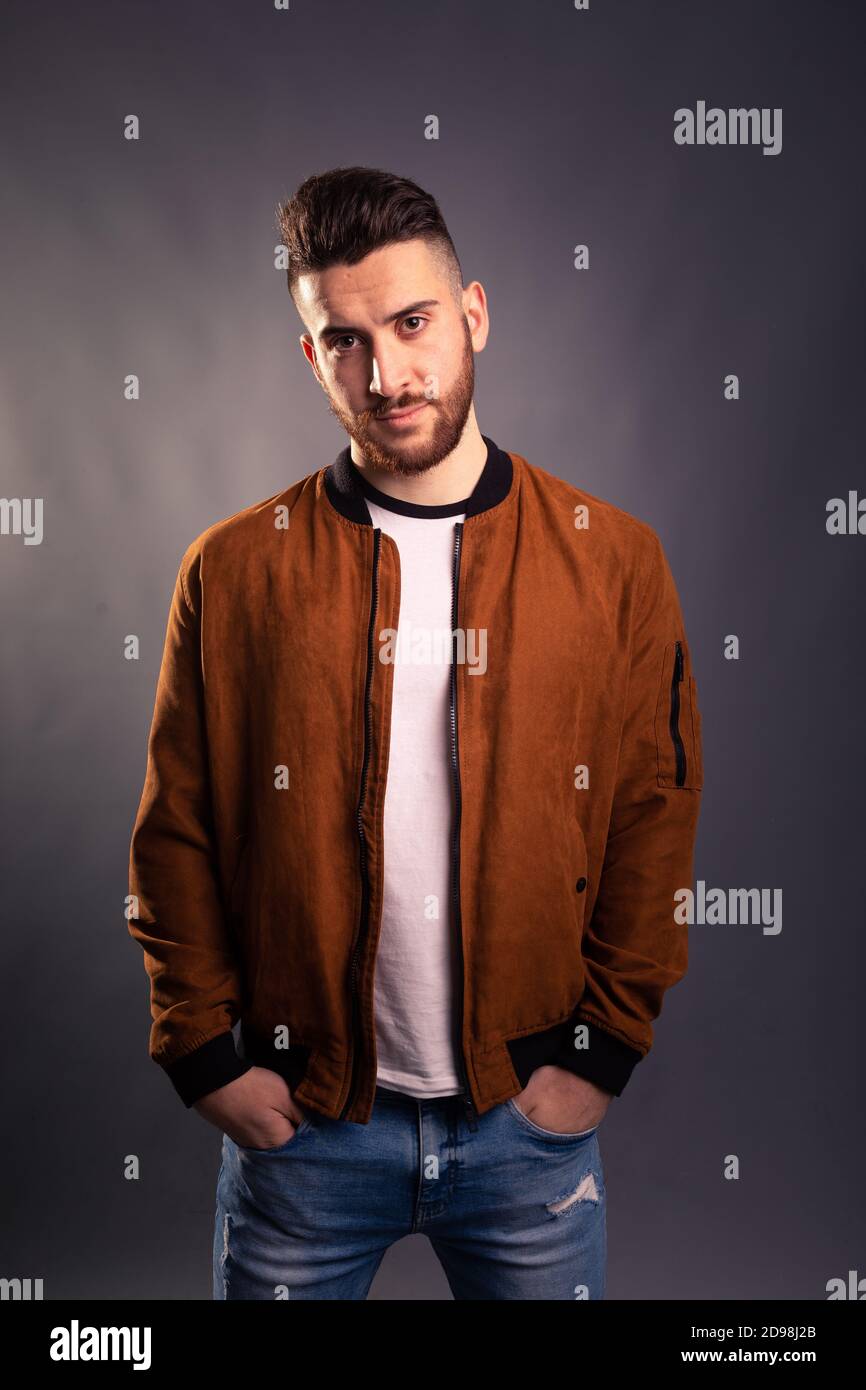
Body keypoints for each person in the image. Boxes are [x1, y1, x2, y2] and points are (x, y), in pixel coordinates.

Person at [127, 166, 703, 1300]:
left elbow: (652, 809)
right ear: (310, 357)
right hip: (305, 1136)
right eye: (343, 341)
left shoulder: (611, 559)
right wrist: (203, 1059)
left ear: (472, 313)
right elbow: (178, 825)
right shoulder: (235, 569)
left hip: (525, 1132)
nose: (385, 374)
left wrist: (600, 1051)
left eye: (411, 322)